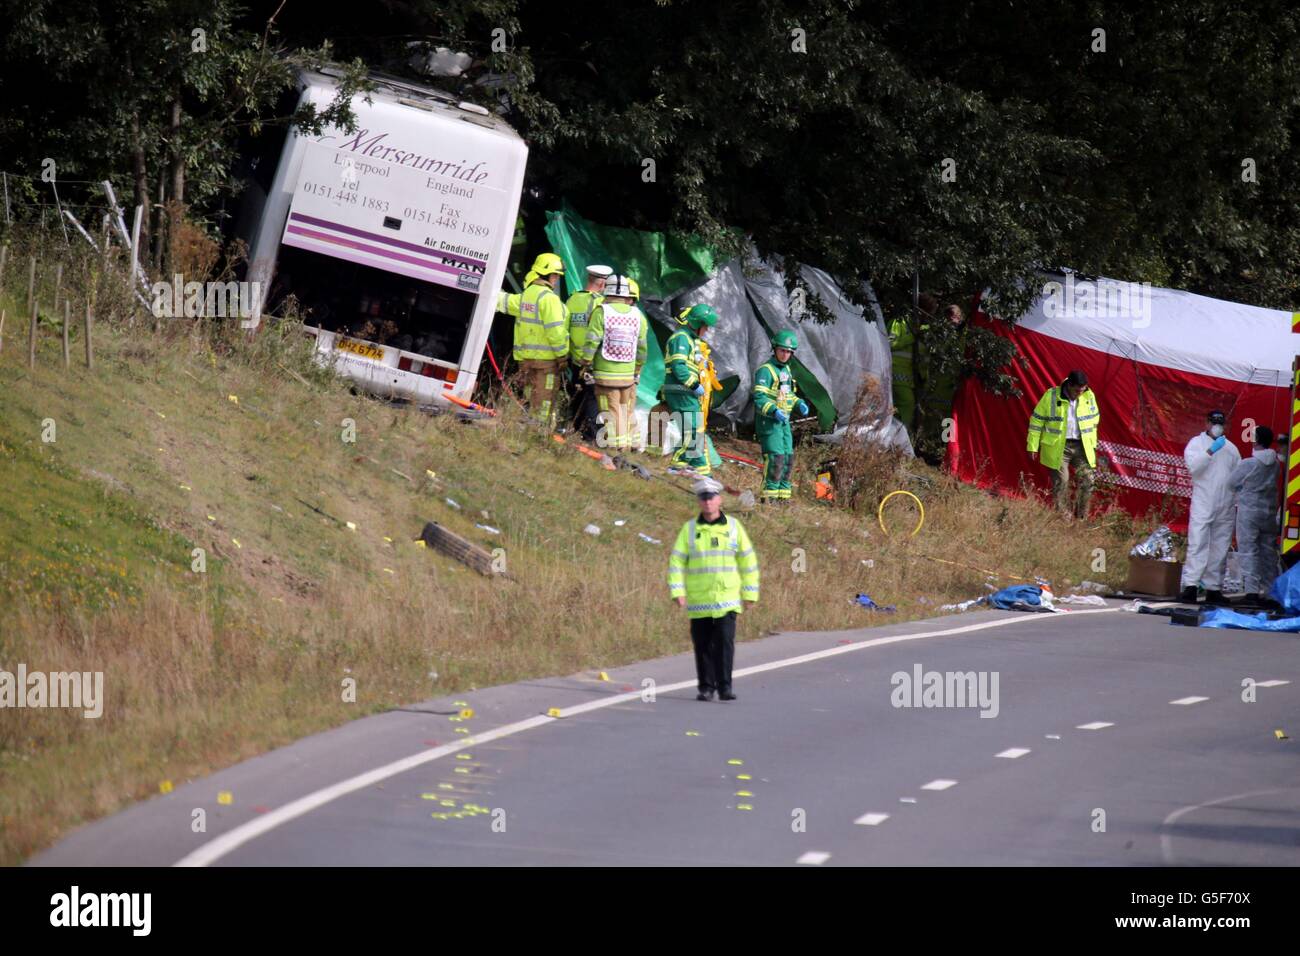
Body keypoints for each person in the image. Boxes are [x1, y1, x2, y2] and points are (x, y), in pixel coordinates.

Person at [668, 477, 760, 701]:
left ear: (719, 500)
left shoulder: (733, 528)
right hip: (699, 601)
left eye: (711, 498)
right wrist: (677, 592)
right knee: (702, 646)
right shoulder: (689, 530)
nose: (708, 502)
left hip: (727, 599)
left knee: (724, 643)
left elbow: (748, 562)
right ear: (699, 502)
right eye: (703, 498)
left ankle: (725, 686)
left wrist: (749, 594)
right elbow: (677, 562)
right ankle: (706, 687)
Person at [496, 252, 569, 427]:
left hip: (526, 361)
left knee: (530, 396)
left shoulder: (526, 295)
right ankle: (540, 433)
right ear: (549, 275)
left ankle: (528, 428)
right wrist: (563, 356)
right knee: (544, 401)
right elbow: (556, 332)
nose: (557, 280)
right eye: (556, 276)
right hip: (546, 363)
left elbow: (504, 302)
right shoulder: (549, 299)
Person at [578, 274, 648, 453]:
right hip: (628, 375)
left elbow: (592, 341)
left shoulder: (602, 312)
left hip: (605, 374)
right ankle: (632, 443)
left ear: (606, 291)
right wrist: (637, 368)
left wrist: (585, 362)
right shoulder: (637, 315)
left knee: (610, 410)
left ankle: (617, 447)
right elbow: (642, 348)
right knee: (626, 409)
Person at [1179, 410, 1242, 604]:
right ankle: (1190, 586)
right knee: (1197, 543)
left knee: (1220, 548)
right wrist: (1210, 451)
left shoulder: (1231, 449)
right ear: (1206, 422)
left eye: (1220, 423)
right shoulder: (1196, 444)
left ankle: (1213, 588)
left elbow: (1238, 476)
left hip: (1226, 504)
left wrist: (1237, 498)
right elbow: (1193, 468)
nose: (1217, 426)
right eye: (1214, 422)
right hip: (1203, 501)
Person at [1026, 369, 1100, 519]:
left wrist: (1091, 441)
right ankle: (1063, 518)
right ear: (1069, 385)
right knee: (1062, 481)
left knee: (1088, 480)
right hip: (1059, 447)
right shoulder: (1051, 395)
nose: (1080, 392)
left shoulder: (1089, 396)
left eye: (1083, 388)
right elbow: (1036, 420)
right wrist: (1032, 445)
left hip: (1081, 447)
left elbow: (1095, 418)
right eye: (1077, 389)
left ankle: (1081, 517)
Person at [752, 330, 808, 502]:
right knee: (775, 458)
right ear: (775, 349)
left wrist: (799, 403)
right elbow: (759, 398)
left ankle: (783, 496)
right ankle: (769, 496)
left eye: (789, 352)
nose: (785, 354)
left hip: (783, 424)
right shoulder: (765, 371)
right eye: (783, 350)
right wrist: (773, 411)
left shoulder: (787, 371)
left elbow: (788, 395)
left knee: (788, 458)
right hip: (769, 422)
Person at [663, 303, 719, 475]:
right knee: (693, 431)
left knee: (696, 430)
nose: (707, 330)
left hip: (686, 391)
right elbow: (678, 366)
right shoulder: (681, 338)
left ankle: (702, 470)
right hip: (681, 390)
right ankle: (677, 463)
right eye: (706, 327)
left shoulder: (691, 340)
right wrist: (695, 385)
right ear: (698, 324)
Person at [1231, 425, 1282, 605]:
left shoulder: (1249, 463)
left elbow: (1231, 482)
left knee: (1248, 551)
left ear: (1256, 440)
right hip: (1268, 512)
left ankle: (1251, 592)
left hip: (1249, 512)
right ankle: (1272, 592)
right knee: (1268, 553)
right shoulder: (1275, 464)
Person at [565, 264, 612, 439]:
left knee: (577, 396)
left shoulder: (572, 300)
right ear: (602, 284)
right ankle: (592, 437)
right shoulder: (602, 304)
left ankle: (575, 431)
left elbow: (565, 329)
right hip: (594, 361)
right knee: (595, 400)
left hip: (575, 360)